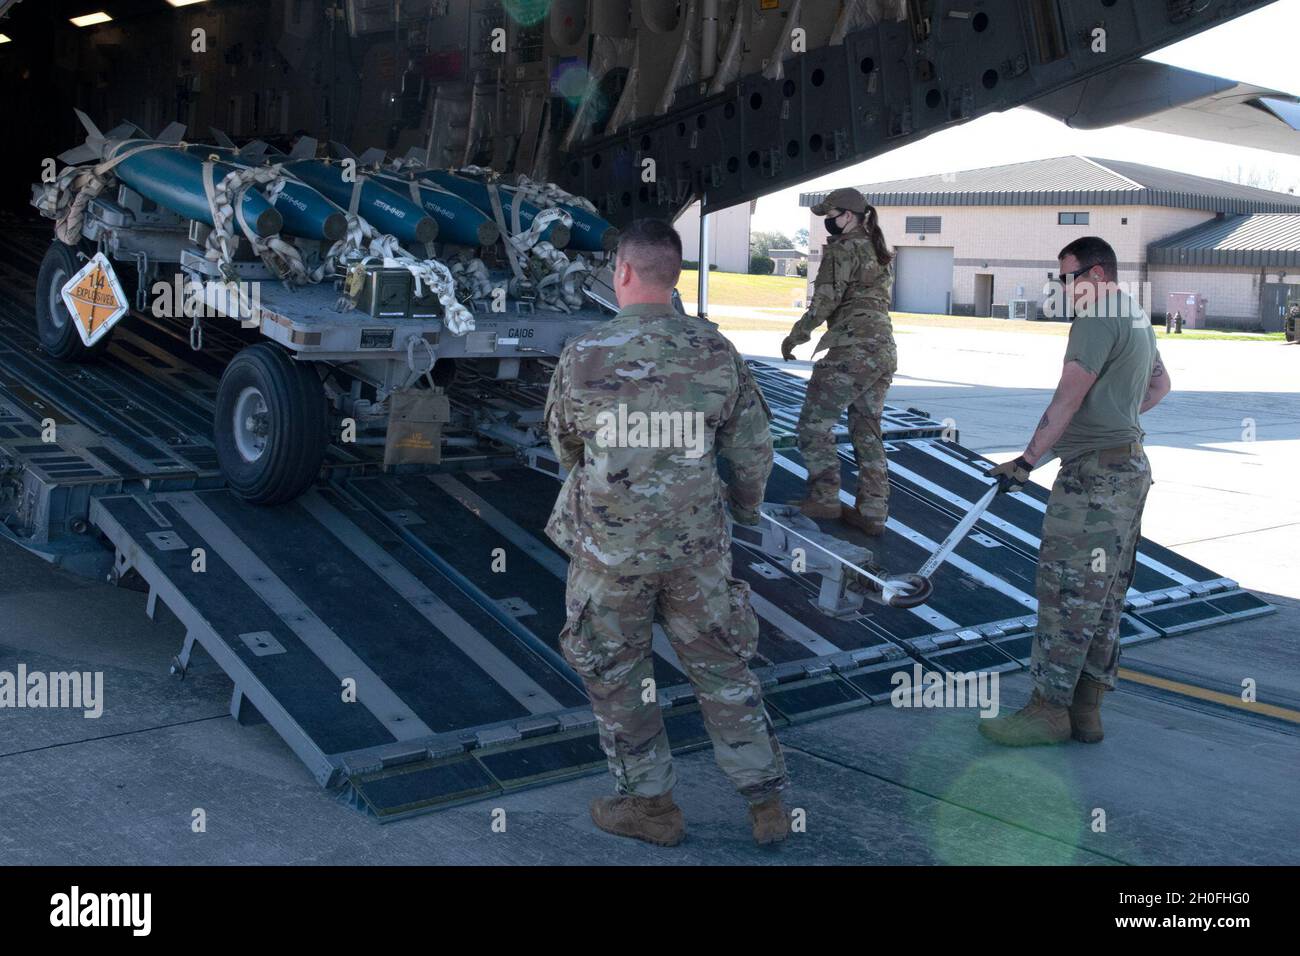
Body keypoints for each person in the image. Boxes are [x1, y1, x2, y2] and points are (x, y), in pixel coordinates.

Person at [544, 218, 790, 846]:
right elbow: (753, 452)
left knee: (618, 672)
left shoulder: (585, 354)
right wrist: (747, 511)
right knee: (723, 666)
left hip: (610, 555)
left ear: (621, 272)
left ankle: (651, 808)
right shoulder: (717, 352)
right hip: (697, 549)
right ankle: (766, 802)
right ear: (672, 275)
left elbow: (567, 445)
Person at [982, 236, 1171, 746]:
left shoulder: (1094, 316)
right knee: (1105, 596)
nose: (1062, 288)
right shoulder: (1133, 314)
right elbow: (1160, 386)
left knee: (1066, 595)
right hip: (1129, 468)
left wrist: (1027, 460)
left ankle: (1047, 711)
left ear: (1095, 275)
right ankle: (1087, 712)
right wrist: (1116, 422)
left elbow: (1070, 392)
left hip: (1093, 480)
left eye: (1067, 277)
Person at [781, 187, 897, 535]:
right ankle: (873, 511)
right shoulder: (877, 250)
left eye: (831, 216)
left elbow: (825, 302)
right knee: (866, 430)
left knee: (813, 424)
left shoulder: (843, 249)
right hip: (883, 350)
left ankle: (825, 496)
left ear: (848, 215)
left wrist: (796, 335)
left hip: (853, 349)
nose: (828, 222)